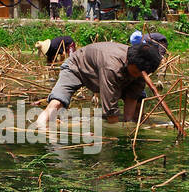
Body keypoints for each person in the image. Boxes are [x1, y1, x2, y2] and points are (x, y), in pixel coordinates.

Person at [34, 40, 162, 131]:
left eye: (140, 74)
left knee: (138, 104)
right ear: (129, 62)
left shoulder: (140, 71)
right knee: (58, 101)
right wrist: (116, 130)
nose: (136, 76)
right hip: (76, 67)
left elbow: (133, 96)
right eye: (135, 72)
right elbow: (110, 110)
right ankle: (40, 125)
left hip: (103, 72)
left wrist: (129, 124)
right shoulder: (112, 67)